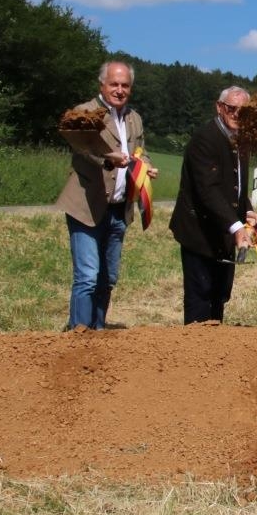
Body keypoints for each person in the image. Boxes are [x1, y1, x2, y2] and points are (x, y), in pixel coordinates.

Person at [56, 60, 158, 331]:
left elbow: (140, 151)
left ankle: (98, 332)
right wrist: (107, 158)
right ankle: (79, 331)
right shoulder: (84, 112)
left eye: (125, 85)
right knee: (88, 276)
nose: (120, 90)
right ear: (102, 84)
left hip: (119, 209)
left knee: (108, 277)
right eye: (114, 84)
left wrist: (145, 166)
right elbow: (81, 148)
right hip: (86, 206)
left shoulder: (134, 118)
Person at [169, 85, 257, 324]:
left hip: (224, 231)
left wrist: (247, 209)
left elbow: (235, 185)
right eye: (232, 108)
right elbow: (208, 190)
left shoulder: (241, 140)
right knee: (200, 298)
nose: (237, 114)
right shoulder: (204, 140)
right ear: (220, 107)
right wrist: (237, 227)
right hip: (199, 232)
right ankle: (196, 355)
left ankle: (214, 352)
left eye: (244, 111)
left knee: (219, 296)